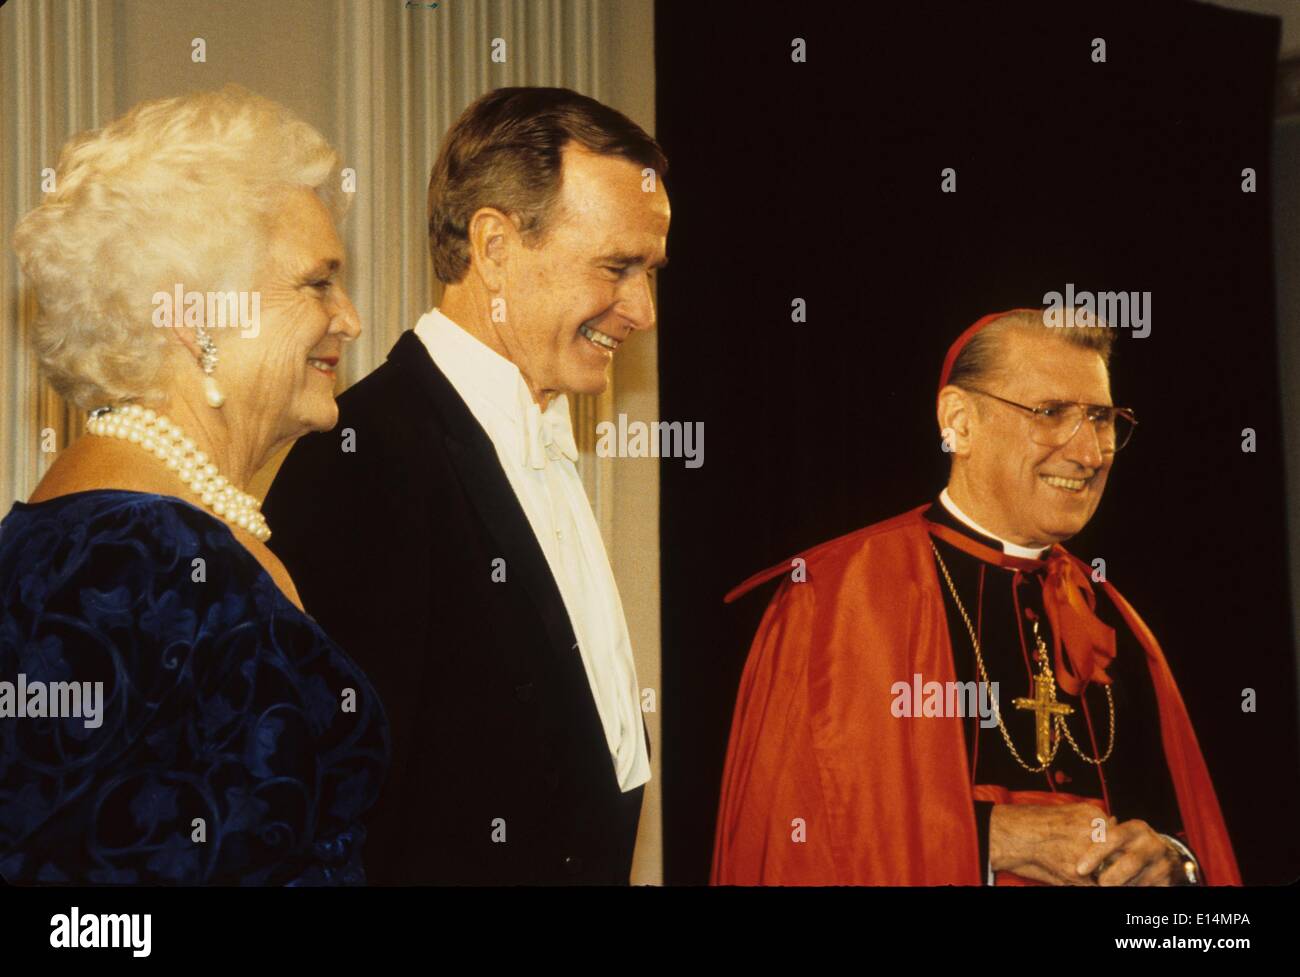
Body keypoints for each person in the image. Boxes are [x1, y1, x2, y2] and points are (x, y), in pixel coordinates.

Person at [263, 87, 670, 884]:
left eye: (651, 272)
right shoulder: (364, 458)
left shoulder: (535, 428)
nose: (644, 310)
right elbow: (333, 825)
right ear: (493, 247)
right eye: (617, 267)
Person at [0, 85, 388, 885]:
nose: (348, 317)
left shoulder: (88, 532)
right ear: (192, 315)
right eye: (318, 282)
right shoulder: (154, 559)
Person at [712, 308, 1241, 886]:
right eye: (1051, 413)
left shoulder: (1113, 616)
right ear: (959, 423)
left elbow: (1185, 830)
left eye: (1101, 418)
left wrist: (1174, 860)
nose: (1089, 453)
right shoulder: (837, 596)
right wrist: (984, 836)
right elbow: (796, 839)